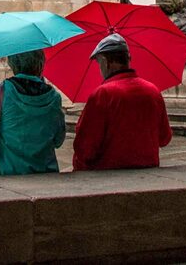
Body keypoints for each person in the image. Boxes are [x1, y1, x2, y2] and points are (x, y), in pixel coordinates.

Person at [72, 33, 171, 170]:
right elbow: (164, 139)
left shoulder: (103, 95)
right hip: (149, 176)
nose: (100, 68)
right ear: (128, 58)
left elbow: (85, 148)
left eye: (99, 63)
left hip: (108, 177)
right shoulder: (153, 91)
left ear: (106, 62)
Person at [0, 48, 65, 175]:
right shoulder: (54, 98)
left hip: (5, 178)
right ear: (40, 63)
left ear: (12, 63)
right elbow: (58, 141)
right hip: (46, 177)